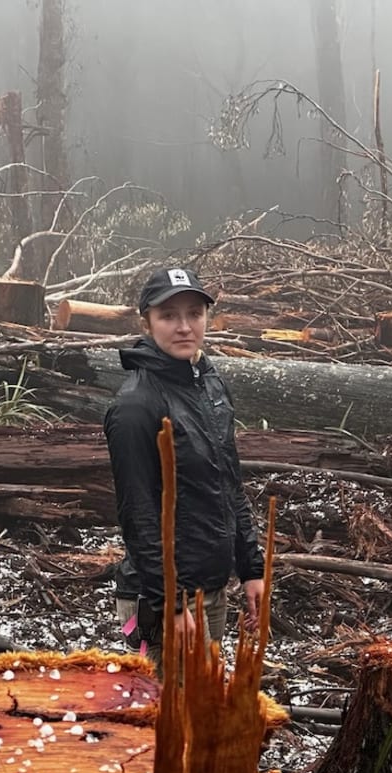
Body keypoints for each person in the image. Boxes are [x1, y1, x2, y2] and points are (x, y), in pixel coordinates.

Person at [104, 266, 266, 673]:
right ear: (147, 322)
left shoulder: (210, 385)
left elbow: (230, 484)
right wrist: (171, 605)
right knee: (173, 720)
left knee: (205, 706)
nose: (183, 327)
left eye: (194, 314)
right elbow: (138, 514)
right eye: (168, 316)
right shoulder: (135, 406)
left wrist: (250, 568)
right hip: (161, 596)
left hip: (211, 588)